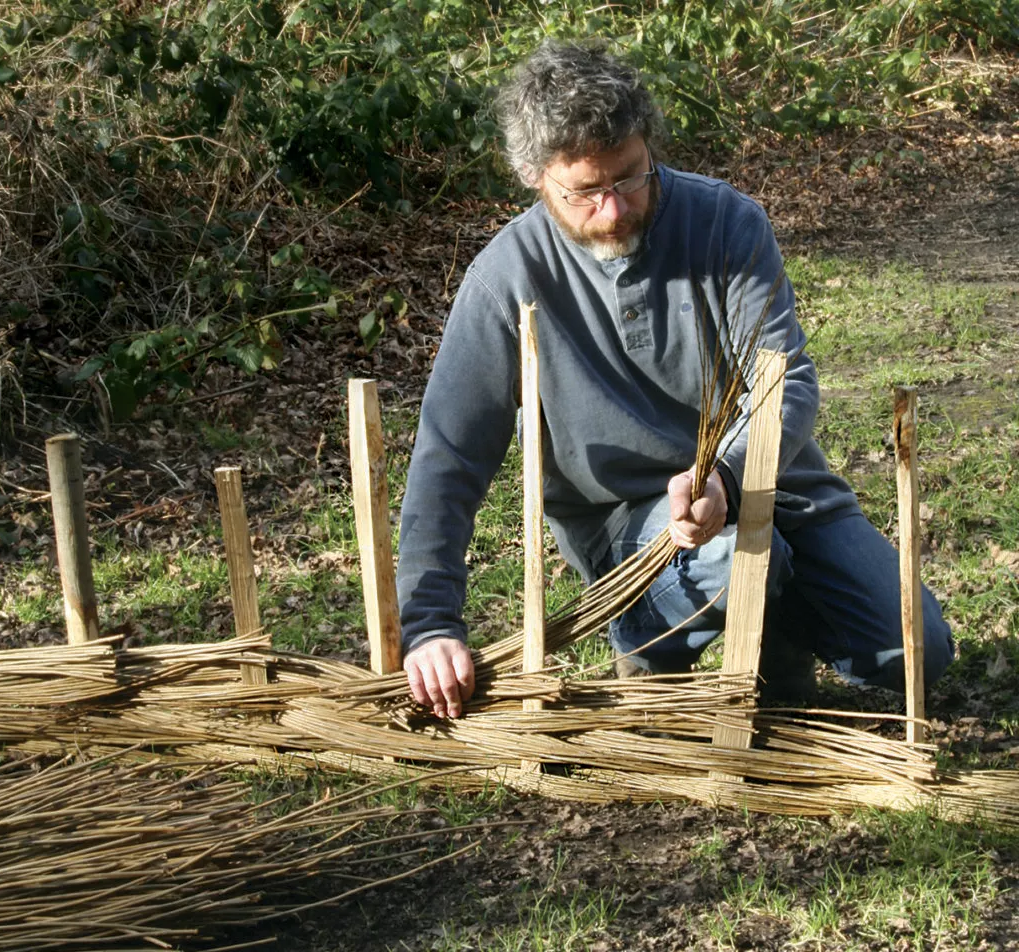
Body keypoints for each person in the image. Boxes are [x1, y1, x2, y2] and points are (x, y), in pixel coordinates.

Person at [394, 40, 953, 719]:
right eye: (586, 192)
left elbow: (788, 381)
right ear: (536, 177)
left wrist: (725, 475)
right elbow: (448, 457)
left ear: (648, 146)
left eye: (629, 176)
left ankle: (779, 630)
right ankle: (648, 639)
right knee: (737, 555)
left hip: (778, 486)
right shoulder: (503, 280)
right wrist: (429, 625)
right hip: (625, 523)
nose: (615, 209)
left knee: (917, 650)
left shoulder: (726, 222)